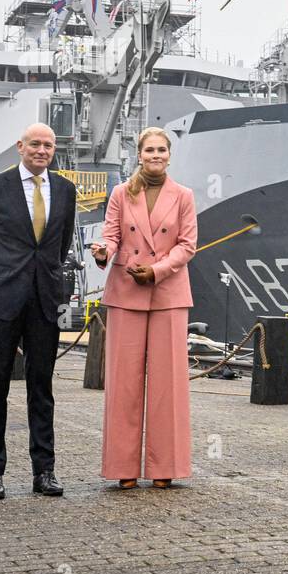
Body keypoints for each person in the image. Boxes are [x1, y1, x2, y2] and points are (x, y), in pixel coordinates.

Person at [0, 123, 77, 499]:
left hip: (45, 299)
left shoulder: (65, 189)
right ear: (20, 146)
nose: (42, 151)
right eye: (35, 144)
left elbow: (59, 248)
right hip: (1, 298)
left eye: (48, 145)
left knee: (41, 387)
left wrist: (45, 279)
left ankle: (44, 471)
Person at [90, 127, 197, 489]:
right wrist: (103, 250)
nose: (155, 155)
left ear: (169, 155)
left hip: (167, 292)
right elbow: (111, 234)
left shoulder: (184, 196)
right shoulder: (121, 194)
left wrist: (156, 271)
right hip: (126, 291)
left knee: (169, 384)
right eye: (149, 149)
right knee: (123, 384)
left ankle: (164, 466)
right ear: (139, 155)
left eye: (161, 150)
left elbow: (187, 246)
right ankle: (123, 467)